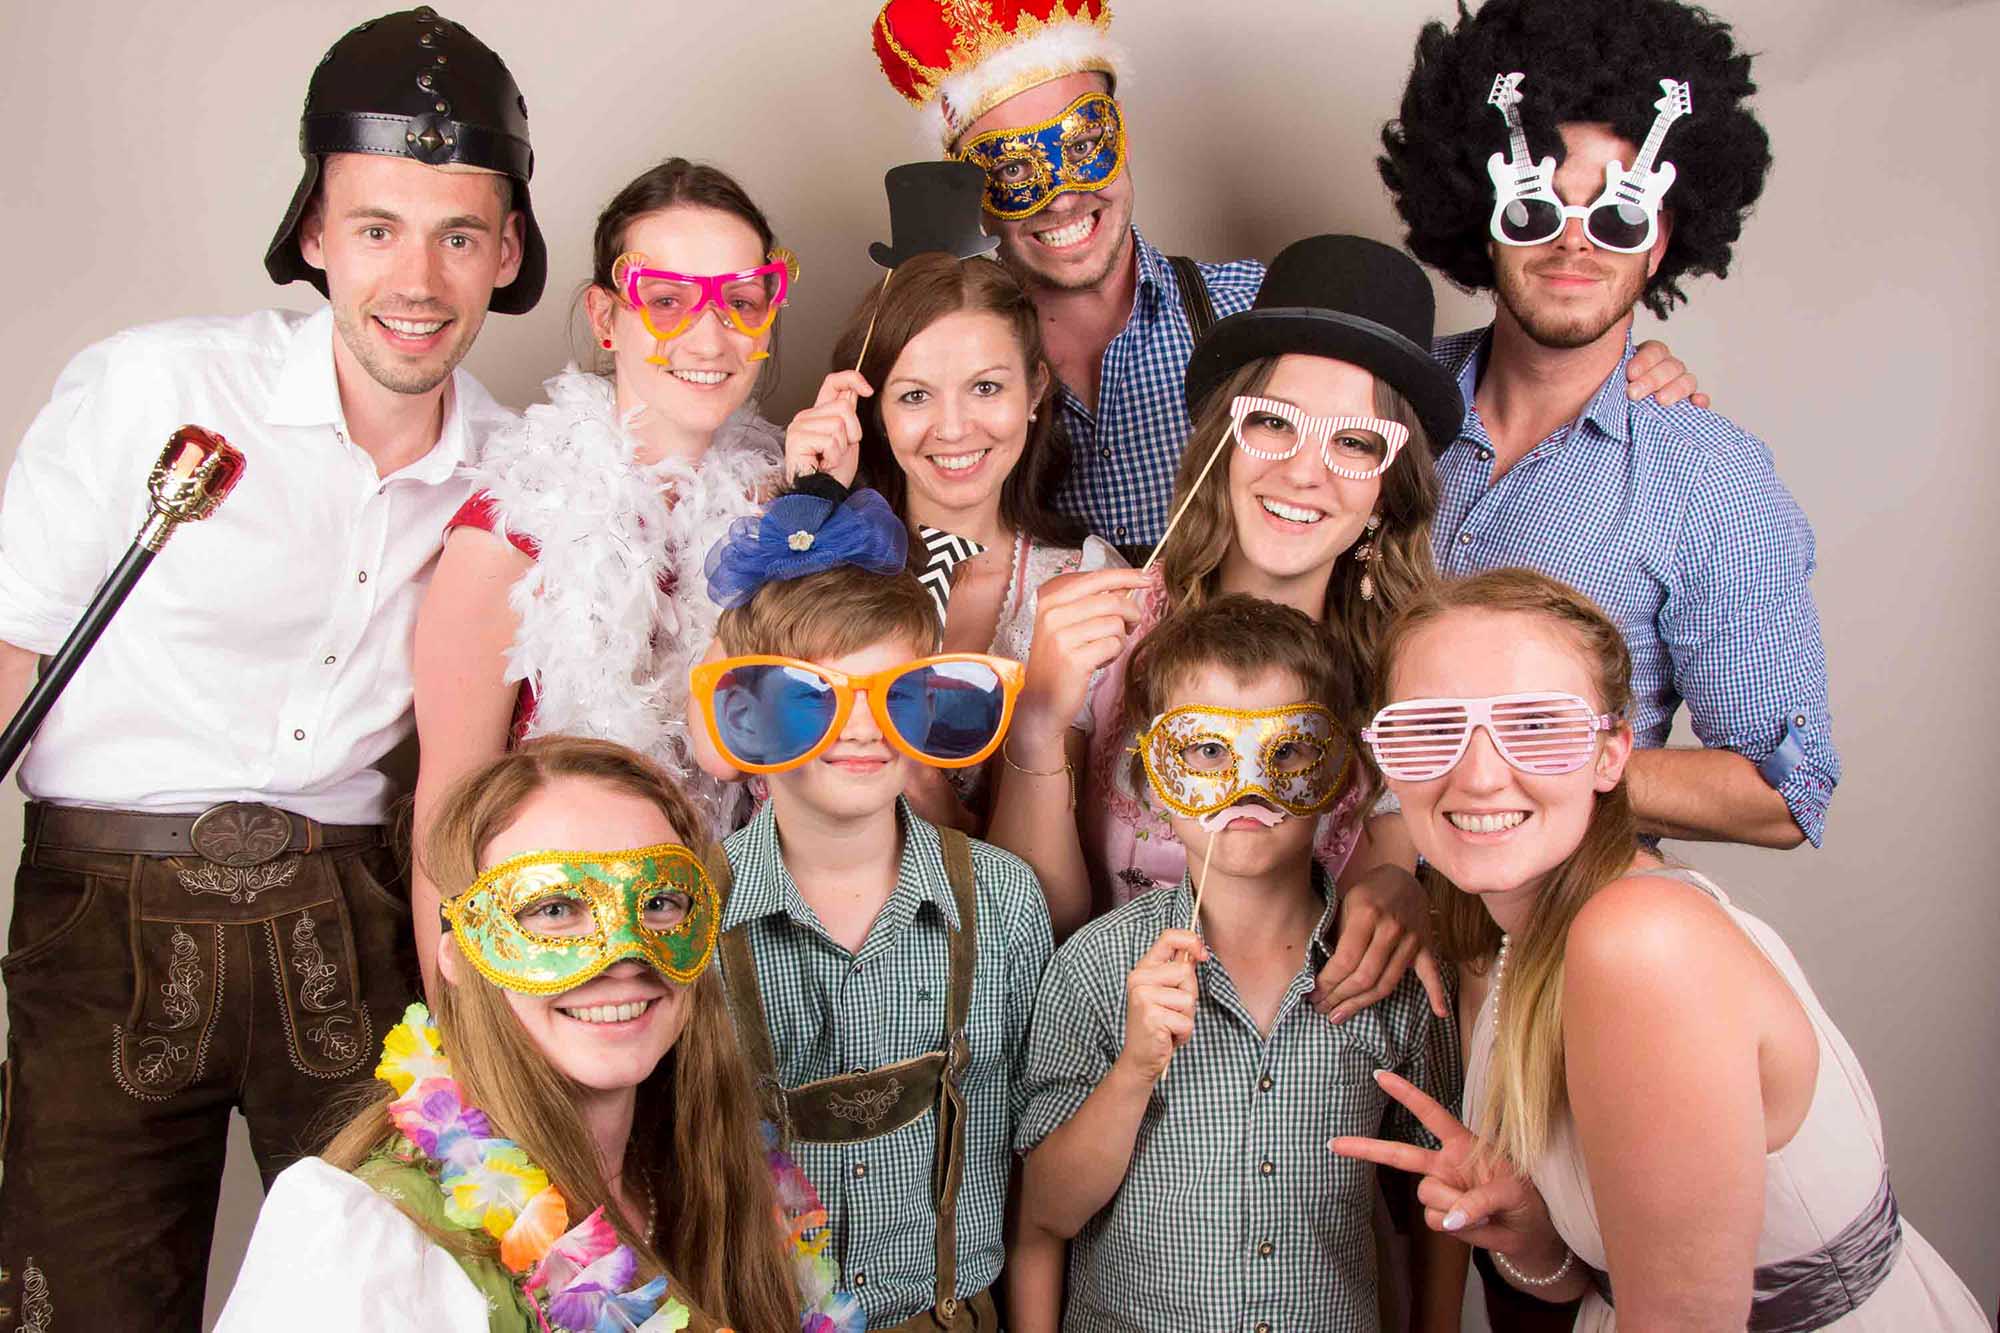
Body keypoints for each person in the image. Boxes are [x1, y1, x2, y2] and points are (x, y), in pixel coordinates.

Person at [0, 10, 536, 1324]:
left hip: (353, 922)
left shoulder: (521, 475)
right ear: (312, 233)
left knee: (404, 1298)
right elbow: (11, 652)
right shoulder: (151, 391)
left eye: (459, 234)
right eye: (376, 229)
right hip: (104, 916)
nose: (418, 276)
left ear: (507, 251)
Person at [1332, 567, 1985, 1330]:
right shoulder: (1507, 943)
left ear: (1611, 755)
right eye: (1431, 727)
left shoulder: (1638, 943)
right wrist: (1531, 1230)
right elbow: (1597, 1278)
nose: (1478, 775)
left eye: (1537, 724)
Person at [868, 0, 1701, 557]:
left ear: (1122, 135)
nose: (1063, 190)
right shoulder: (934, 373)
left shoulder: (1264, 310)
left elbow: (1425, 414)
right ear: (971, 189)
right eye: (1014, 168)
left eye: (1085, 144)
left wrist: (1612, 370)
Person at [1379, 0, 1838, 851]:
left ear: (1659, 242)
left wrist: (1541, 764)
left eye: (1617, 215)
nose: (1574, 243)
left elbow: (1787, 793)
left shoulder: (1710, 482)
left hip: (1551, 946)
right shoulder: (1380, 401)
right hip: (1320, 930)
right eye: (1537, 209)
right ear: (1485, 219)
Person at [991, 235, 1457, 1013]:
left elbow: (1381, 905)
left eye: (1354, 442)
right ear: (1222, 441)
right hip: (1094, 1057)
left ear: (1388, 492)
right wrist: (1038, 723)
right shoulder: (1104, 618)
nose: (1304, 470)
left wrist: (1397, 887)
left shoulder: (1404, 681)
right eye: (1275, 423)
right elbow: (1034, 934)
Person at [217, 737, 821, 1332]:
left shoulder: (731, 1182)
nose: (626, 956)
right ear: (456, 952)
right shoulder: (375, 1245)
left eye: (660, 901)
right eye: (553, 910)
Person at [1014, 593, 1462, 1332]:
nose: (1246, 784)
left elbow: (1441, 1195)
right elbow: (1048, 1210)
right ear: (1153, 782)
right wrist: (1133, 1070)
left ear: (1343, 776)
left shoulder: (1396, 976)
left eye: (1287, 750)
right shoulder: (1095, 968)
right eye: (1207, 750)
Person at [413, 158, 789, 994]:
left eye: (741, 300)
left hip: (737, 969)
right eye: (667, 299)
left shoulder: (778, 516)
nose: (709, 337)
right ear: (606, 317)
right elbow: (446, 832)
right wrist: (464, 1067)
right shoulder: (510, 532)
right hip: (557, 972)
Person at [690, 478, 1053, 1329]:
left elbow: (1042, 1170)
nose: (859, 728)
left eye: (891, 693)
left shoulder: (1001, 901)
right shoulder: (693, 914)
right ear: (746, 718)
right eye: (810, 696)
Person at [784, 250, 1123, 827]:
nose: (954, 427)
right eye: (915, 395)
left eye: (986, 388)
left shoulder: (1084, 593)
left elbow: (1068, 900)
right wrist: (811, 502)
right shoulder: (807, 557)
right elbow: (725, 762)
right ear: (873, 411)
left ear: (1036, 390)